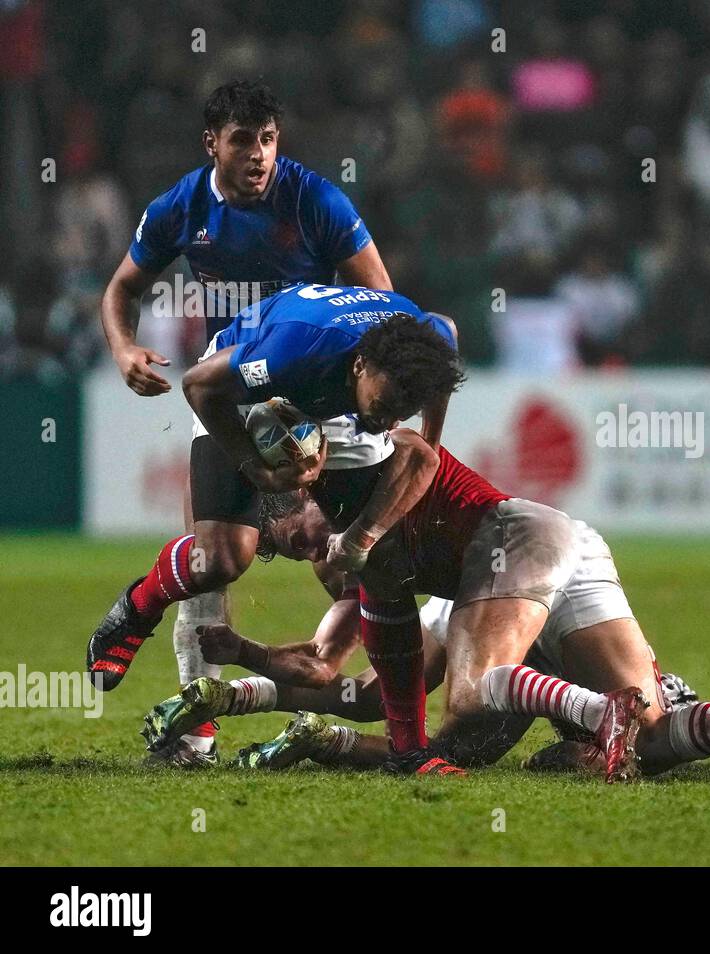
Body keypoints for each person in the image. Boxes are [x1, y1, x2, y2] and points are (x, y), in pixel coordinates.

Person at [140, 434, 710, 781]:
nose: (302, 557)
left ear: (301, 494)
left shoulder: (359, 490)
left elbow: (418, 453)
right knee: (649, 739)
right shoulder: (368, 564)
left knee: (464, 695)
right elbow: (331, 668)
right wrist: (227, 676)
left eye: (290, 541)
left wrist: (361, 533)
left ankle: (599, 717)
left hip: (513, 553)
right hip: (557, 561)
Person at [97, 80, 395, 764]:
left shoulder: (316, 199)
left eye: (267, 139)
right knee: (215, 560)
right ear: (213, 145)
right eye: (242, 141)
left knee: (355, 564)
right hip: (231, 383)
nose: (258, 154)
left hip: (322, 390)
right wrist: (123, 347)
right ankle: (193, 728)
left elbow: (381, 300)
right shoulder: (181, 207)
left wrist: (350, 394)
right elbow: (122, 289)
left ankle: (391, 707)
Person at [87, 287, 463, 765]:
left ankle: (411, 749)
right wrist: (252, 467)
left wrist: (430, 439)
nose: (389, 420)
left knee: (382, 564)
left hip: (341, 410)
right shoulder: (293, 352)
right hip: (244, 395)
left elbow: (445, 330)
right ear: (361, 365)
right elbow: (199, 384)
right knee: (221, 560)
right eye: (387, 403)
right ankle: (138, 609)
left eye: (400, 411)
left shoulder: (414, 354)